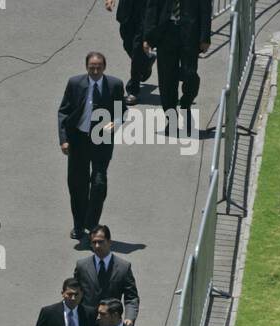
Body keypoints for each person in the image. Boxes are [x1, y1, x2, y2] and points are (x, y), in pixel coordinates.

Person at [57, 53, 127, 243]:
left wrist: (115, 122)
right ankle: (79, 225)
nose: (95, 71)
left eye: (98, 67)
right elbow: (64, 112)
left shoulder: (114, 85)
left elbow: (122, 111)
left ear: (104, 67)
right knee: (77, 184)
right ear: (86, 67)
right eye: (91, 67)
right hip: (78, 140)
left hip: (101, 141)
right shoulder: (75, 83)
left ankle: (91, 223)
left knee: (99, 184)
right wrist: (64, 140)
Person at [143, 0, 212, 130]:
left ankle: (186, 104)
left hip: (190, 35)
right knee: (166, 79)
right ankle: (171, 118)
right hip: (166, 33)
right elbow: (151, 8)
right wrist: (148, 37)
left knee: (190, 75)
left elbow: (205, 10)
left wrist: (205, 37)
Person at [74, 227, 140, 324]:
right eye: (94, 242)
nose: (97, 246)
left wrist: (129, 318)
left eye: (100, 242)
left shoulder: (123, 268)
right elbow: (76, 292)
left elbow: (131, 297)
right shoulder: (82, 266)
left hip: (111, 322)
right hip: (86, 323)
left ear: (109, 242)